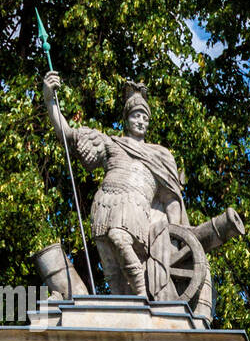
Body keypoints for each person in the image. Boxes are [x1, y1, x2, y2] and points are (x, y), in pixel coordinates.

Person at [42, 73, 187, 297]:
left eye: (145, 118)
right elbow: (69, 136)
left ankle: (141, 295)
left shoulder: (160, 155)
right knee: (111, 267)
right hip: (106, 204)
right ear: (127, 118)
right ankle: (122, 307)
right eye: (136, 116)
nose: (141, 121)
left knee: (119, 238)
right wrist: (50, 101)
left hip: (136, 208)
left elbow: (171, 199)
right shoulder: (112, 143)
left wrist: (176, 236)